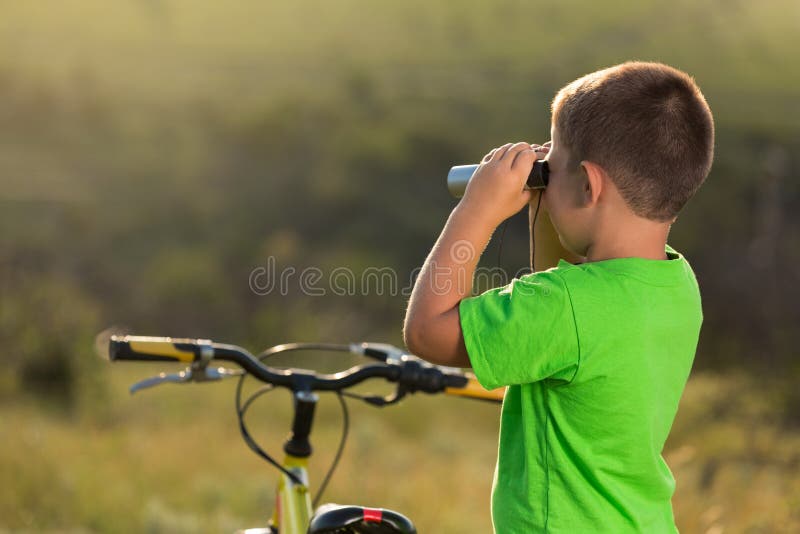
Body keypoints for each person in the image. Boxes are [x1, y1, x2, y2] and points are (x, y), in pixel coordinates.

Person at [403, 61, 714, 532]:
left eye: (555, 164)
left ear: (589, 184)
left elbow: (426, 331)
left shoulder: (565, 307)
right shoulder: (676, 282)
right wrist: (556, 194)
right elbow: (567, 302)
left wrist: (478, 209)